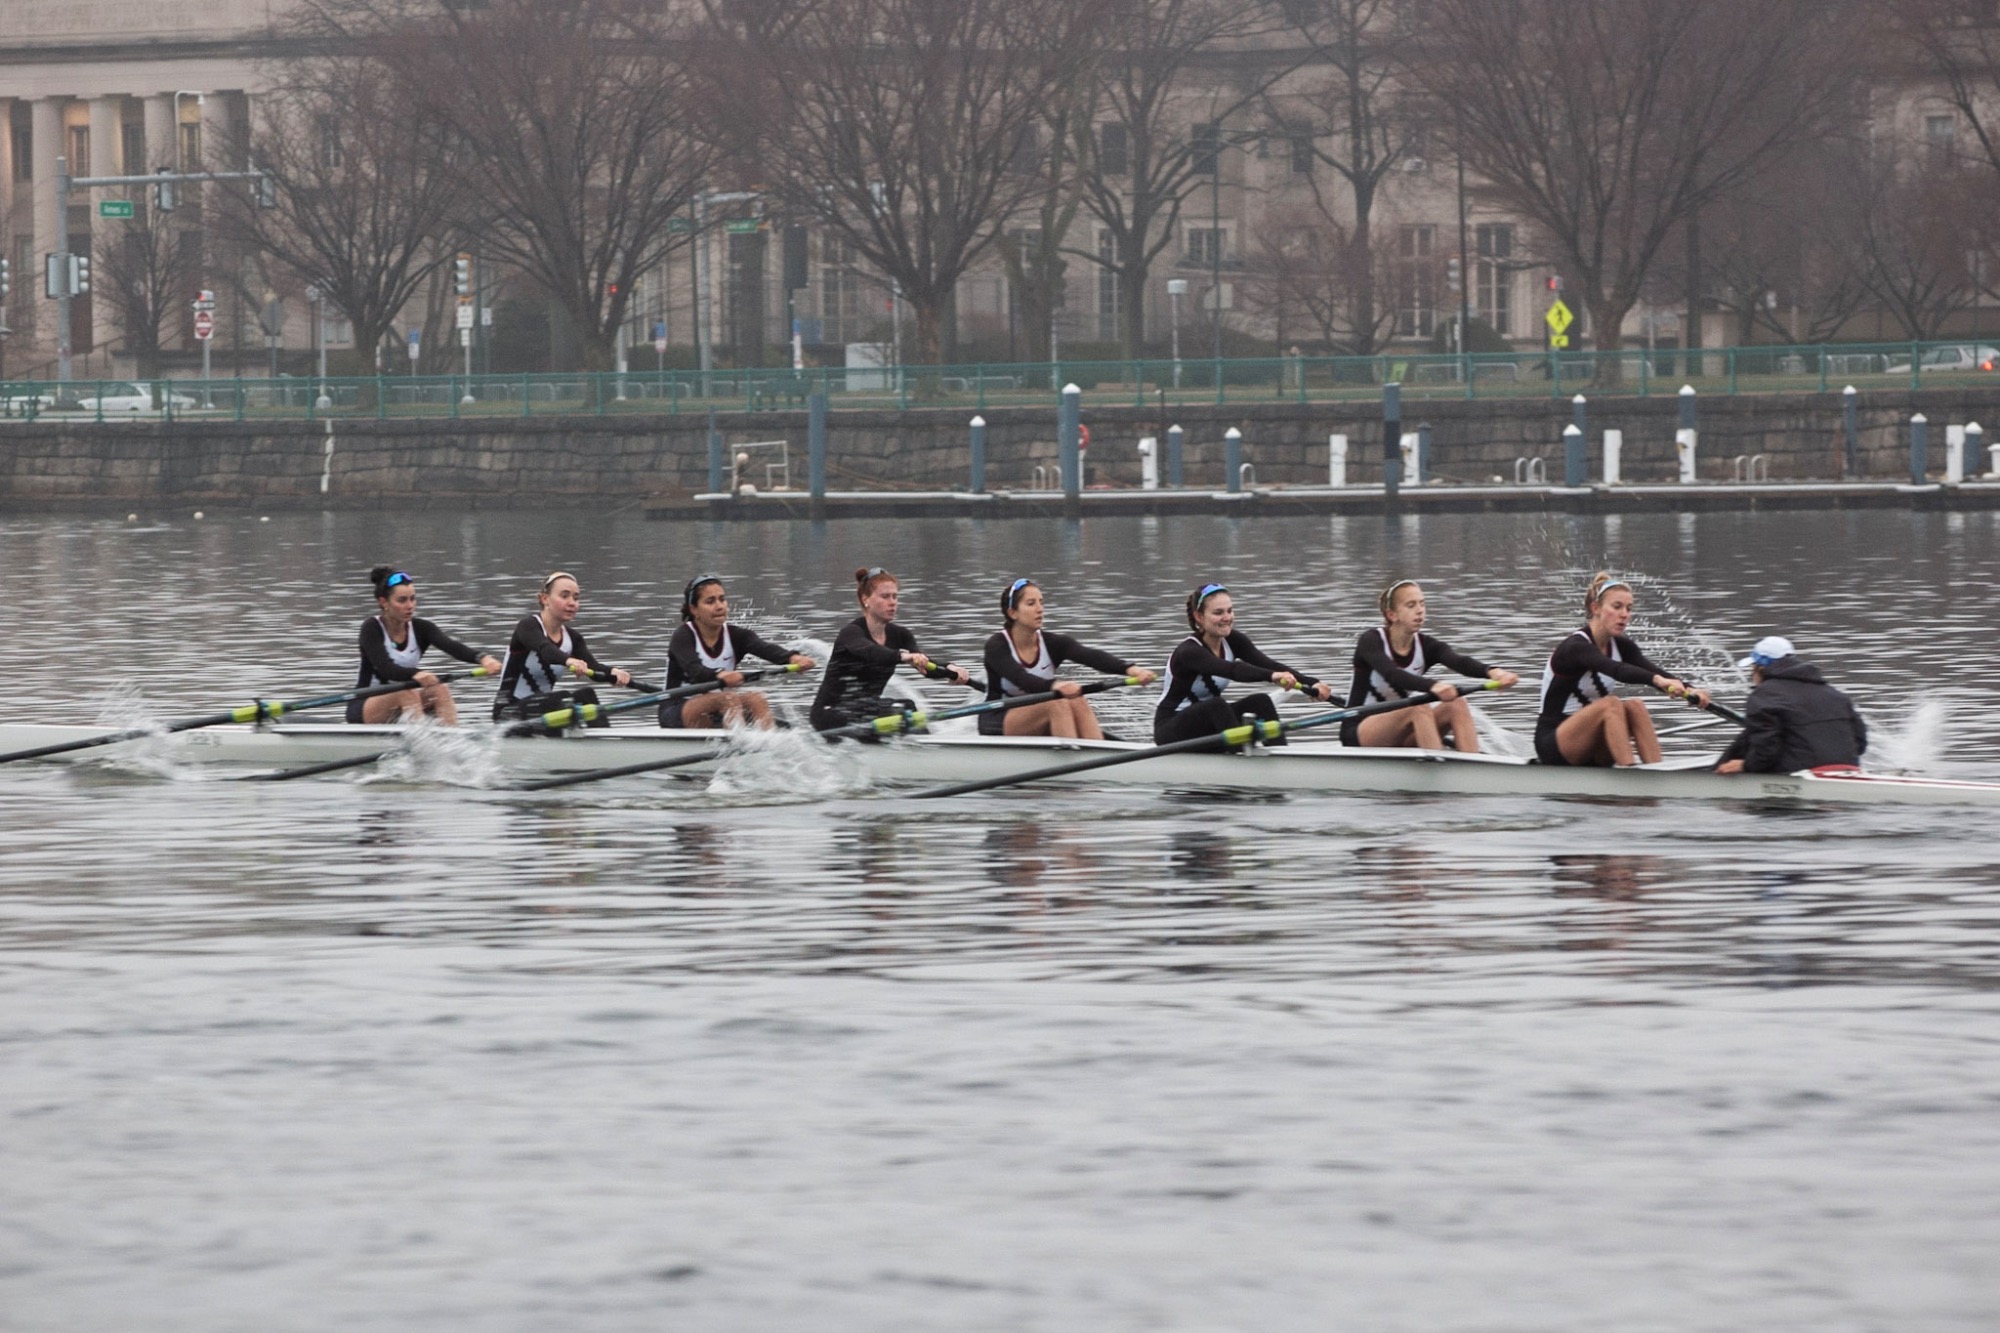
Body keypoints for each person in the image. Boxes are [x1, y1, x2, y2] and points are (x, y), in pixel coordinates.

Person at [1536, 572, 1708, 767]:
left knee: (1635, 706)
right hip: (1554, 744)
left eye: (1629, 608)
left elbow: (1655, 671)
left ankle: (1658, 773)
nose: (1625, 614)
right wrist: (1657, 681)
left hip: (1593, 742)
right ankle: (1631, 775)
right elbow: (1617, 670)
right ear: (1596, 608)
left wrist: (1689, 689)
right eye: (1617, 607)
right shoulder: (1575, 647)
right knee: (1611, 705)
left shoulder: (1622, 646)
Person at [1343, 579, 1519, 751]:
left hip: (1402, 729)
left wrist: (1493, 672)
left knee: (1457, 703)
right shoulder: (1370, 641)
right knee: (1419, 707)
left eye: (1422, 604)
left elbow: (1459, 661)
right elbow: (1392, 674)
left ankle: (1472, 769)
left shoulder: (1426, 645)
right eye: (1411, 606)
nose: (1420, 611)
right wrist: (1433, 686)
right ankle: (1438, 769)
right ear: (1392, 615)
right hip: (1360, 729)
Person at [1154, 582, 1333, 746]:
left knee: (1260, 702)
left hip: (1207, 723)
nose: (1227, 617)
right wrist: (1272, 677)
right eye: (1218, 613)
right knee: (1216, 705)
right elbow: (1232, 670)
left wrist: (1312, 683)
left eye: (1229, 611)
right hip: (1171, 728)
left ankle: (1281, 755)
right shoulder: (1189, 652)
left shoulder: (1233, 640)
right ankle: (1238, 755)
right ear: (1199, 617)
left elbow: (1268, 663)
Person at [979, 578, 1156, 738]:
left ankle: (1097, 753)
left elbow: (1091, 656)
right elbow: (1021, 679)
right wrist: (1055, 685)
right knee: (1057, 703)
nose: (1040, 609)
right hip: (999, 715)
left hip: (1036, 710)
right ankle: (1074, 759)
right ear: (1012, 613)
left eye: (1041, 602)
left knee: (1077, 699)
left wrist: (1132, 669)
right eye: (1031, 603)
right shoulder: (997, 646)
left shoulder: (1053, 643)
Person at [810, 566, 971, 732]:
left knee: (908, 707)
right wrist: (903, 656)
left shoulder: (901, 635)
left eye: (895, 596)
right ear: (866, 599)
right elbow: (872, 652)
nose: (893, 602)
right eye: (885, 596)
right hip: (829, 714)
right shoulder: (851, 634)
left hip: (866, 710)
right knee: (895, 710)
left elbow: (925, 664)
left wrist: (950, 668)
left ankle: (929, 748)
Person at [348, 566, 502, 724]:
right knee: (406, 692)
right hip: (365, 704)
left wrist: (484, 658)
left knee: (440, 689)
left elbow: (453, 647)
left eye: (412, 599)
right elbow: (386, 669)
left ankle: (452, 738)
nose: (410, 605)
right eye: (402, 600)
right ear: (383, 602)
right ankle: (424, 744)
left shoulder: (421, 628)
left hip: (402, 704)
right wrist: (416, 673)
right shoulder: (371, 628)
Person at [661, 574, 815, 729]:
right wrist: (720, 674)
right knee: (728, 698)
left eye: (722, 599)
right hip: (676, 709)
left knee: (756, 699)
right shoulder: (683, 636)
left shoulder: (737, 635)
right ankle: (740, 746)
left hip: (717, 708)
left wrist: (793, 658)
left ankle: (767, 746)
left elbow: (766, 649)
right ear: (694, 609)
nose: (719, 606)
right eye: (710, 601)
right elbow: (695, 671)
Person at [493, 570, 632, 726]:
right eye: (564, 596)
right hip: (508, 713)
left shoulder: (573, 638)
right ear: (544, 599)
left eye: (576, 598)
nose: (572, 603)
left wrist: (613, 672)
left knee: (586, 695)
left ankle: (604, 743)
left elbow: (593, 669)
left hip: (541, 709)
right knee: (562, 699)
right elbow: (545, 650)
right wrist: (569, 660)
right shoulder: (527, 627)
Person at [1715, 636, 1867, 774]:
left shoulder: (1764, 695)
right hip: (1849, 769)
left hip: (1799, 775)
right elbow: (1860, 742)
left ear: (1759, 668)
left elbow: (1766, 748)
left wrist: (1746, 765)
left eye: (1752, 669)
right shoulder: (1834, 694)